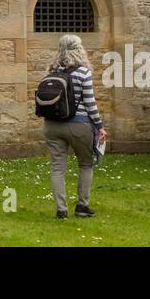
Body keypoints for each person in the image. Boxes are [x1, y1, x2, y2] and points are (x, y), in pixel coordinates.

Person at [44, 34, 107, 218]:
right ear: (79, 49)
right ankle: (82, 206)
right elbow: (90, 103)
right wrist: (99, 125)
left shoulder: (51, 71)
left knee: (57, 167)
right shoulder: (83, 72)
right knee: (86, 164)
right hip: (79, 125)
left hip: (52, 125)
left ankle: (61, 210)